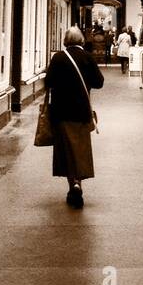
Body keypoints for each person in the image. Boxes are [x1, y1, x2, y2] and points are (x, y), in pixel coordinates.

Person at [44, 25, 104, 207]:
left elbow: (48, 82)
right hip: (82, 111)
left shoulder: (58, 58)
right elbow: (99, 82)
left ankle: (73, 183)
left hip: (61, 112)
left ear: (65, 41)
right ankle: (78, 182)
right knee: (80, 149)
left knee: (66, 150)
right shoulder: (87, 57)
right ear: (81, 41)